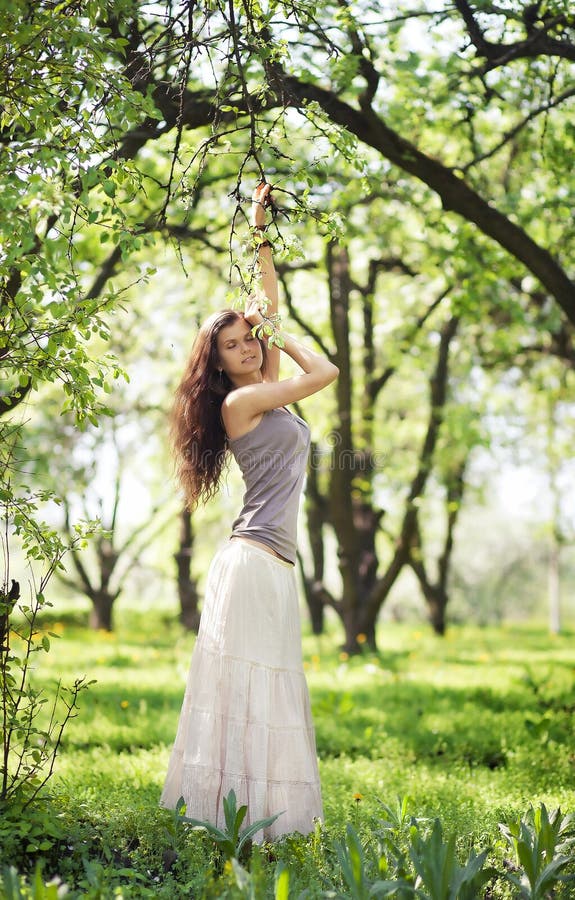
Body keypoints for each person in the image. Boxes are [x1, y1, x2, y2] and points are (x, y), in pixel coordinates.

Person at [160, 182, 339, 841]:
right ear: (216, 364)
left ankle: (256, 826)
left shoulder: (262, 391)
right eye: (233, 344)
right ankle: (228, 826)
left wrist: (260, 225)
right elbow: (325, 372)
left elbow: (267, 294)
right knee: (244, 695)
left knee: (267, 693)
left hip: (271, 567)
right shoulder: (242, 404)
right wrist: (281, 337)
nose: (246, 346)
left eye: (248, 339)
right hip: (252, 562)